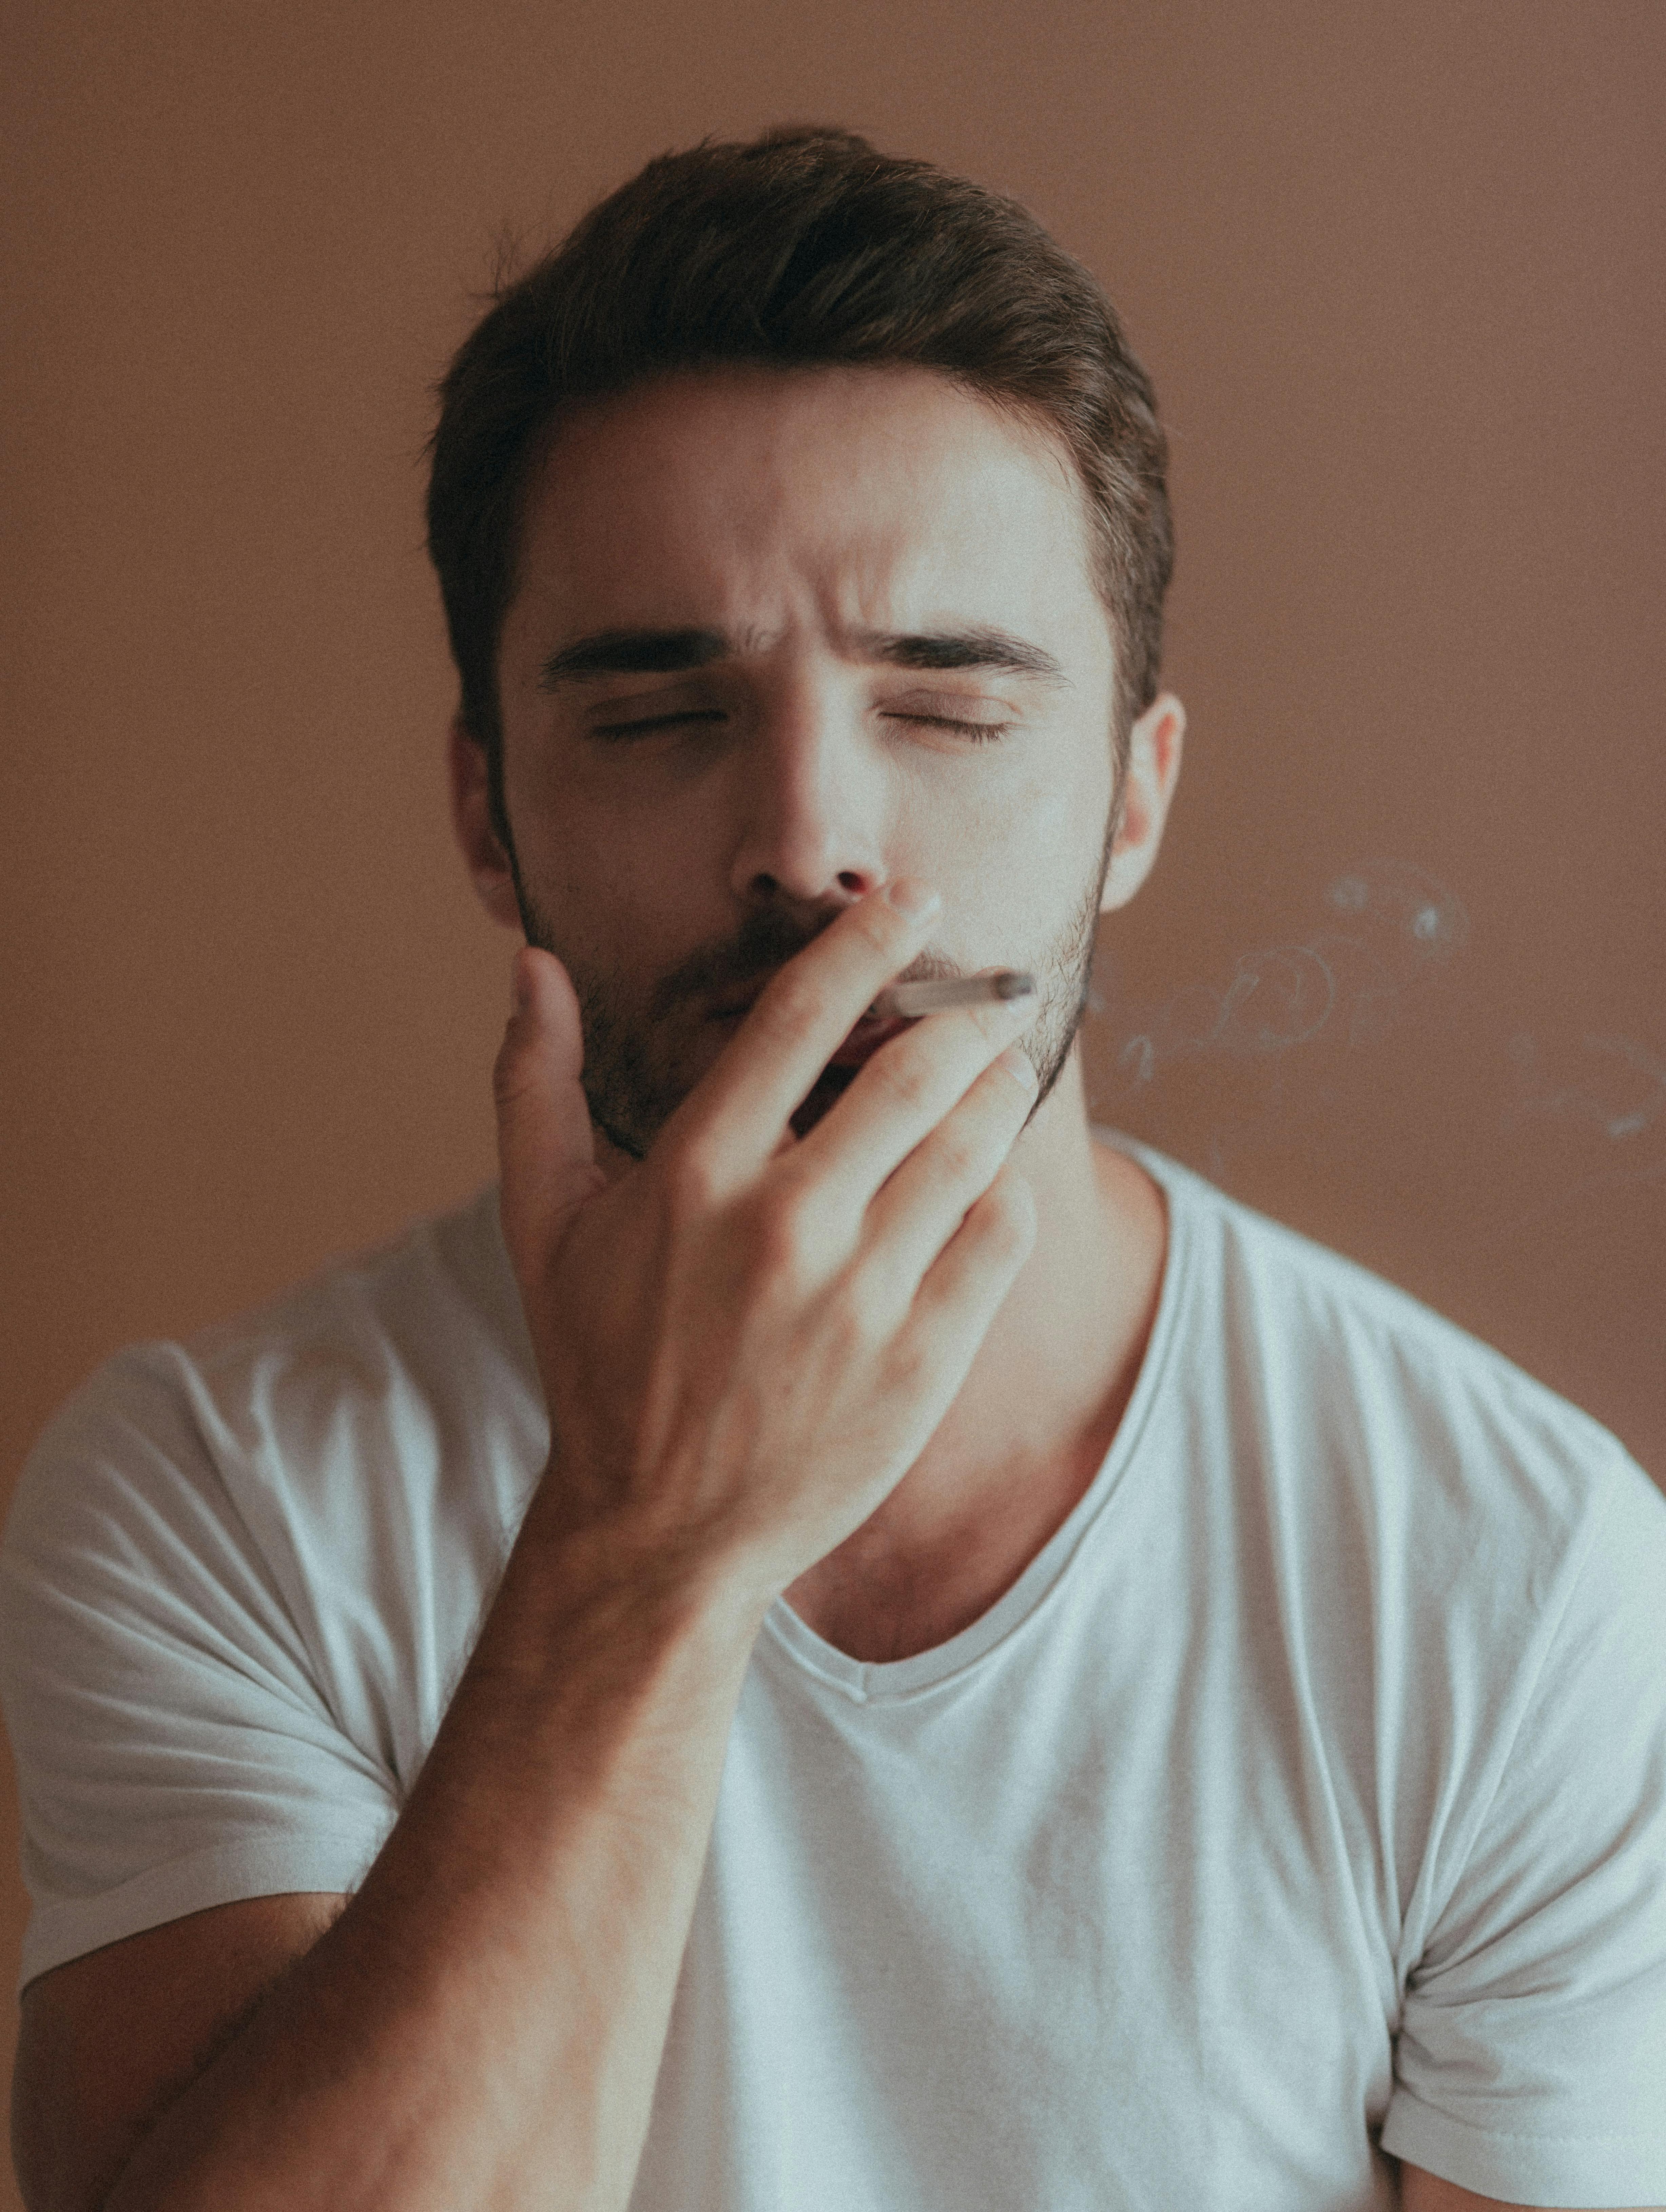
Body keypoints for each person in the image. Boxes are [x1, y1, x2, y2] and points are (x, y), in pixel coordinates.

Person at [4, 125, 1664, 2212]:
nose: (809, 841)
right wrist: (648, 1548)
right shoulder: (213, 1501)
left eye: (950, 708)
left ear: (1136, 803)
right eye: (656, 711)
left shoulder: (1518, 1585)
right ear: (484, 810)